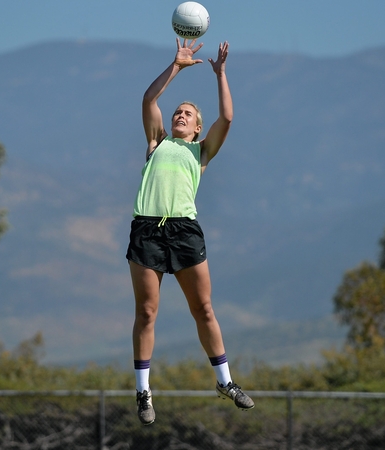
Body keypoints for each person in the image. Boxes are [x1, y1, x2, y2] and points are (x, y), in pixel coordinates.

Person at [126, 38, 254, 426]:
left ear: (197, 128)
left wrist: (221, 74)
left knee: (204, 309)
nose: (180, 116)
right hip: (146, 231)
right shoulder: (156, 142)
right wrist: (177, 65)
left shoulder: (200, 153)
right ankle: (143, 391)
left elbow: (227, 118)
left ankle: (225, 382)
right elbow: (149, 100)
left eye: (187, 115)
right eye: (178, 112)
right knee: (147, 312)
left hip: (184, 231)